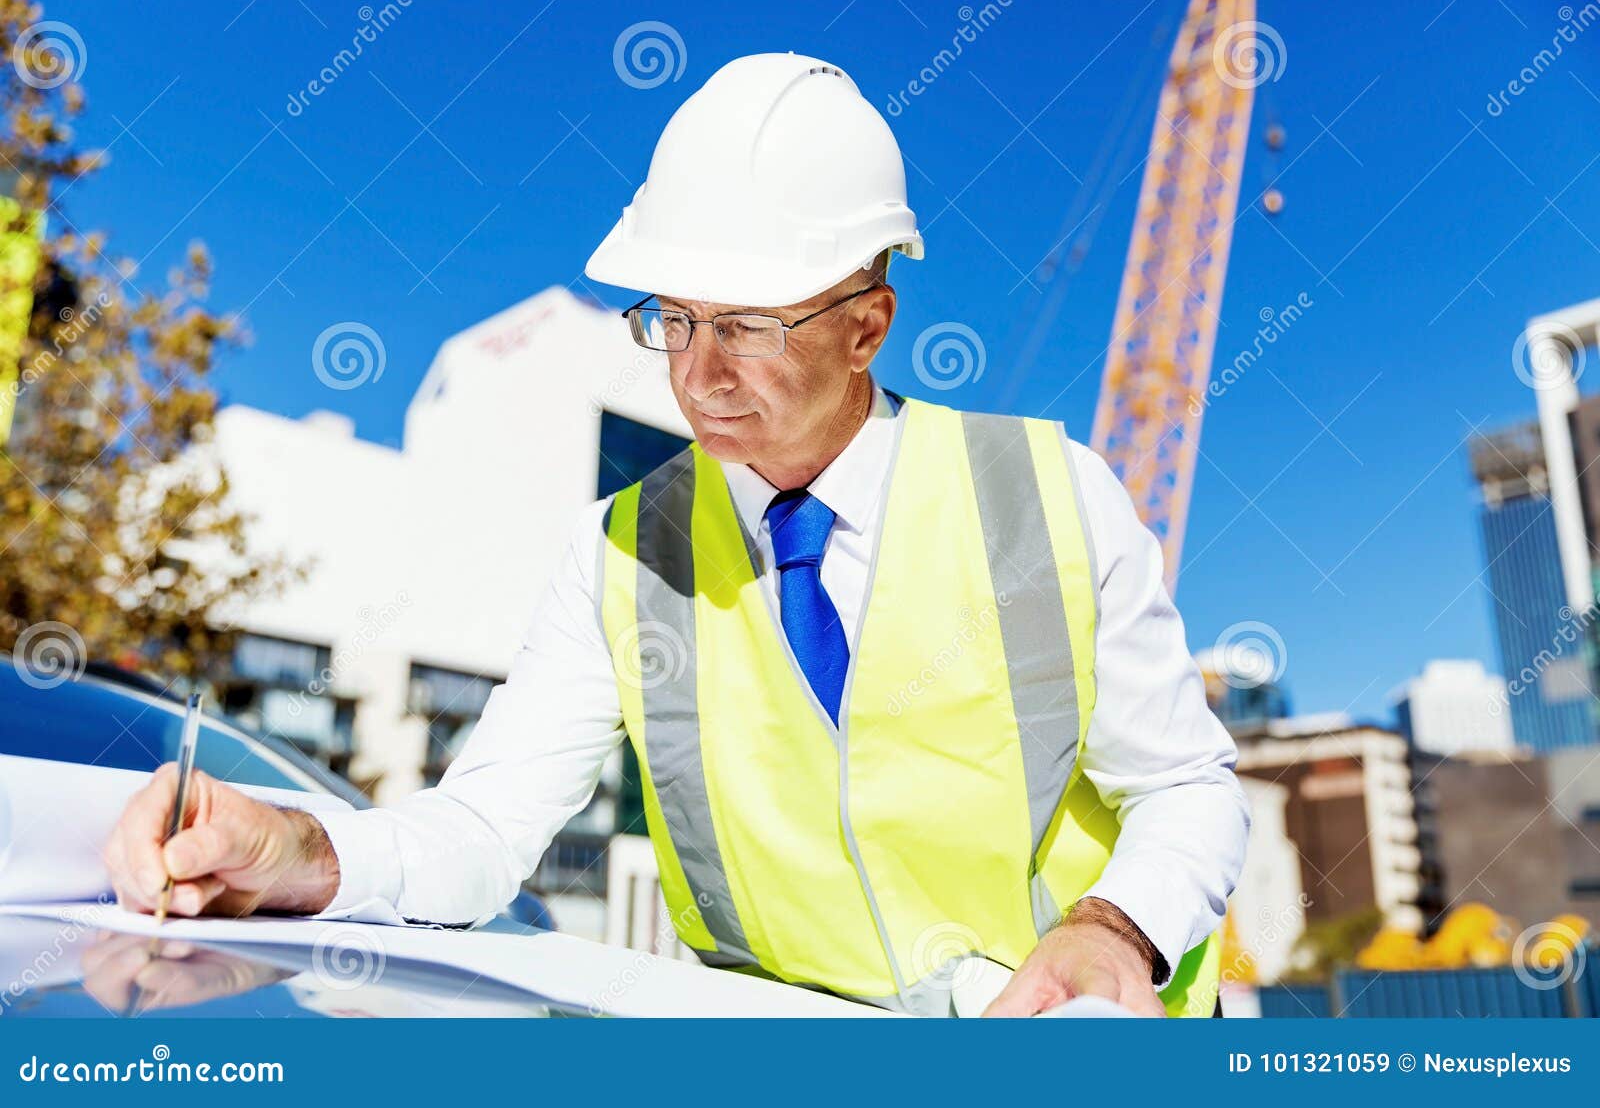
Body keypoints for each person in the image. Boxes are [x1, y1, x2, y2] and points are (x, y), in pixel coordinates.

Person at [103, 53, 1250, 1018]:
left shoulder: (1047, 493)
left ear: (866, 328)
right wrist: (303, 849)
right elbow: (483, 827)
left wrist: (1112, 930)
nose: (699, 373)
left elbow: (1189, 785)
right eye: (675, 319)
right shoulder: (619, 552)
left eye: (747, 324)